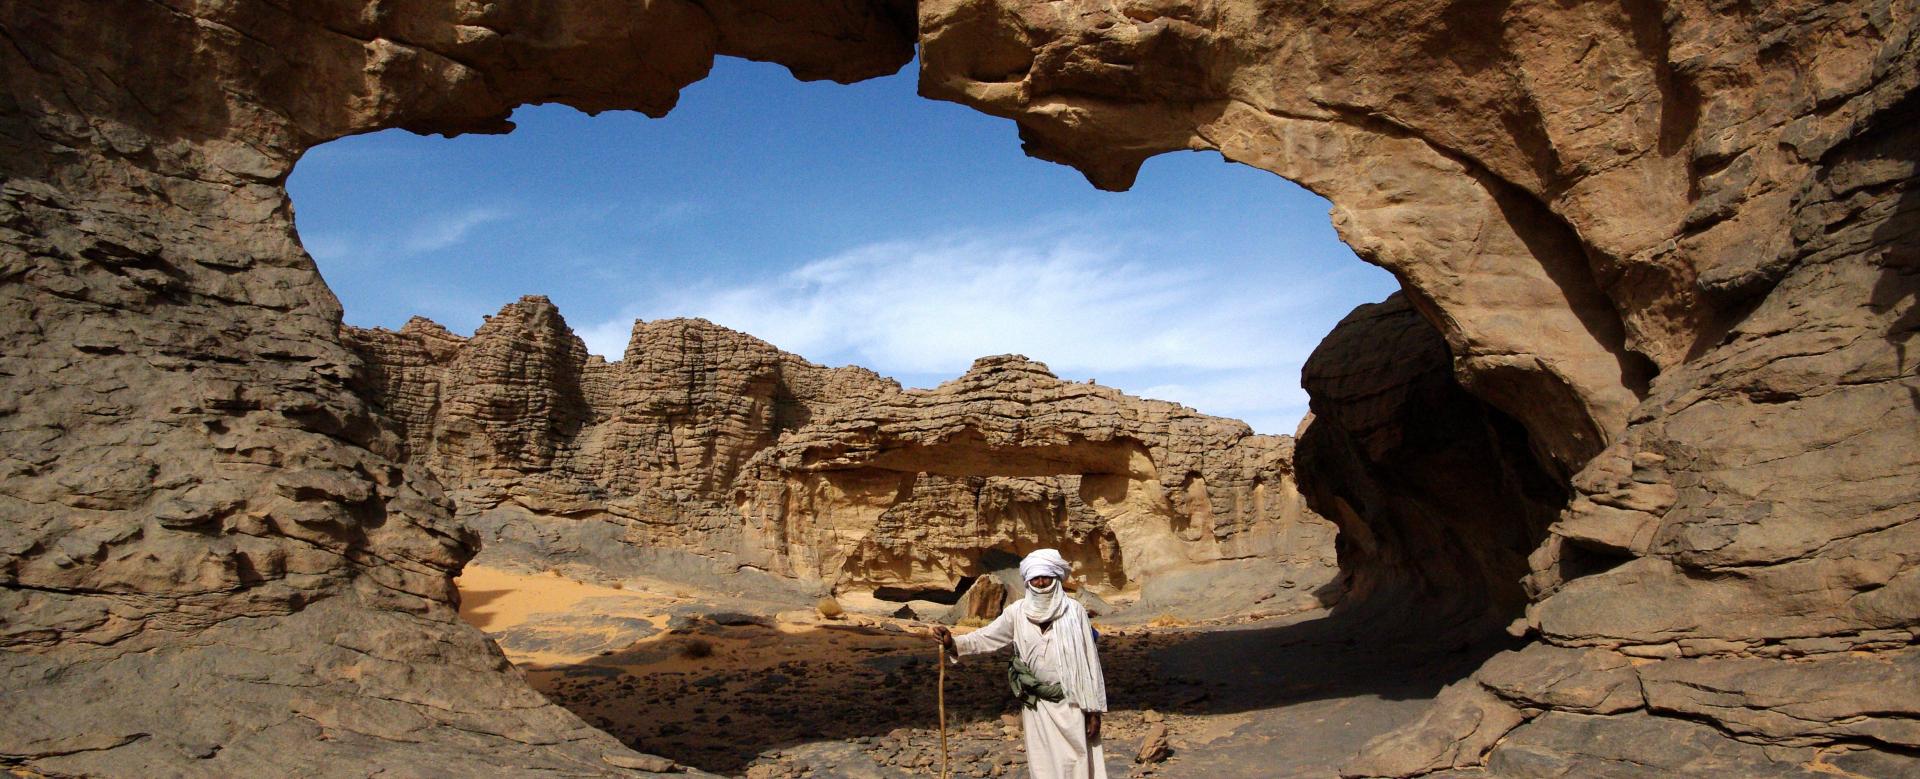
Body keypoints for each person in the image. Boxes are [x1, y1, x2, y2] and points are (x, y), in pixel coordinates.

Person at [931, 549, 1108, 779]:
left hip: (1072, 701)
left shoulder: (1074, 612)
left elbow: (1089, 660)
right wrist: (954, 643)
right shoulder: (1017, 612)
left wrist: (1094, 710)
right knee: (1044, 766)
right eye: (1036, 577)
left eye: (1046, 577)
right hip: (1037, 705)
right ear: (1028, 581)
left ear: (1056, 579)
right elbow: (986, 637)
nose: (1041, 582)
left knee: (1077, 764)